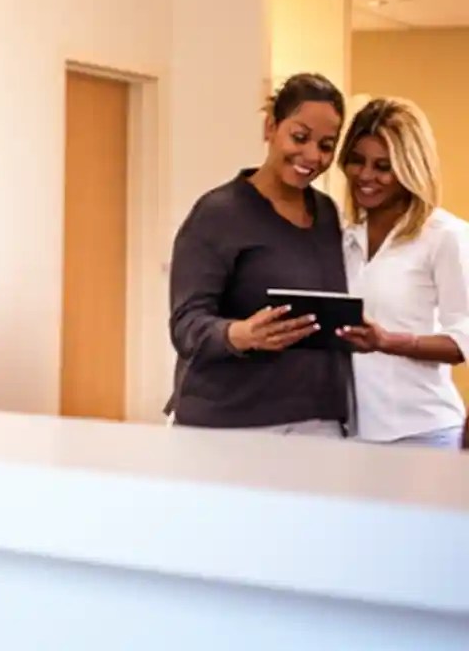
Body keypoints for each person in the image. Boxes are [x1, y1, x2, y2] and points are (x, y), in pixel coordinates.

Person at [166, 73, 352, 435]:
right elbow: (186, 323)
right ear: (271, 127)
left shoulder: (327, 214)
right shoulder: (218, 214)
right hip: (230, 424)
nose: (312, 155)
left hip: (317, 422)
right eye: (299, 137)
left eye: (326, 145)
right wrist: (240, 334)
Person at [333, 97, 468, 450]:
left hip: (424, 431)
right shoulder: (345, 236)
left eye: (383, 166)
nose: (365, 176)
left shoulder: (445, 235)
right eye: (357, 161)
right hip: (354, 433)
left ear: (410, 169)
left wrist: (389, 342)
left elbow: (463, 341)